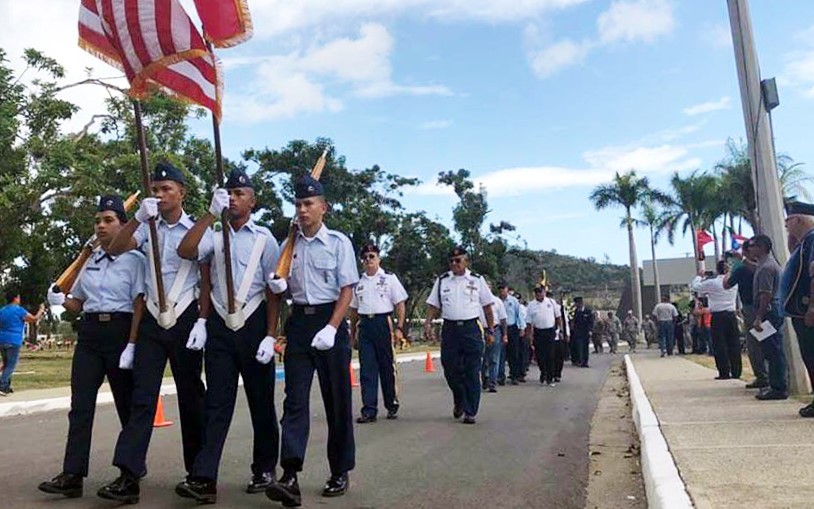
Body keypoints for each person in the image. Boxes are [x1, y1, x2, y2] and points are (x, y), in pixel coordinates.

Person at [98, 163, 206, 504]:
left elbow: (206, 276)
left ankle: (198, 475)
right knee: (142, 398)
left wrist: (203, 322)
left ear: (182, 192)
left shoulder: (196, 229)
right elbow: (115, 248)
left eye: (166, 189)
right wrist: (137, 218)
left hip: (185, 317)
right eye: (155, 189)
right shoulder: (147, 226)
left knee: (191, 397)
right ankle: (128, 476)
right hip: (151, 322)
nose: (159, 195)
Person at [172, 169, 282, 503]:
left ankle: (264, 469)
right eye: (229, 193)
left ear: (253, 201)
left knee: (261, 402)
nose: (233, 199)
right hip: (219, 326)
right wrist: (209, 213)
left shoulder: (265, 239)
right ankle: (204, 477)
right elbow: (186, 252)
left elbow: (273, 291)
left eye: (239, 194)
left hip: (253, 323)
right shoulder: (213, 237)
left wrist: (271, 335)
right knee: (216, 404)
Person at [38, 196, 145, 498]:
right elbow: (79, 303)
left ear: (124, 225)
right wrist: (61, 300)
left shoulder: (135, 260)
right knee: (81, 406)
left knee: (127, 405)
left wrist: (132, 344)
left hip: (121, 332)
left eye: (108, 220)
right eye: (98, 221)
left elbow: (139, 304)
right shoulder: (89, 261)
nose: (101, 226)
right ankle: (73, 474)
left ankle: (130, 474)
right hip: (90, 334)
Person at [264, 175, 358, 508]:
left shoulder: (338, 243)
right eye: (298, 205)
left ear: (323, 207)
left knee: (337, 401)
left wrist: (332, 327)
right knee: (294, 402)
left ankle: (339, 471)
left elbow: (347, 289)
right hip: (300, 323)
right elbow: (279, 288)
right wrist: (278, 287)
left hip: (330, 321)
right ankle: (290, 475)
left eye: (309, 204)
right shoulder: (288, 246)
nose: (302, 210)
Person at [424, 246, 495, 424]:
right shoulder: (443, 280)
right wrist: (428, 323)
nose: (454, 264)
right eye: (451, 261)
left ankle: (470, 411)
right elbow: (434, 305)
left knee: (472, 370)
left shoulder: (477, 280)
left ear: (466, 261)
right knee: (450, 369)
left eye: (458, 260)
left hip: (471, 328)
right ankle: (460, 398)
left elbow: (487, 306)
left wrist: (490, 329)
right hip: (450, 329)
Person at [349, 243, 408, 422]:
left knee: (386, 367)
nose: (368, 260)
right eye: (365, 257)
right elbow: (353, 310)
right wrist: (353, 333)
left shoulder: (389, 278)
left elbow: (400, 304)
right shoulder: (357, 282)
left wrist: (399, 328)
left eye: (371, 256)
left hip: (383, 323)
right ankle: (369, 410)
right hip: (365, 325)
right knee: (367, 369)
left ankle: (391, 403)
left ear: (378, 258)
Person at [780, 201, 814, 417]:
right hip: (800, 312)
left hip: (807, 311)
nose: (786, 226)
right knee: (809, 356)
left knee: (812, 355)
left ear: (799, 219)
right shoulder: (804, 243)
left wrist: (812, 307)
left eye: (788, 221)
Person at [748, 235, 788, 400]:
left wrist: (759, 317)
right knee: (771, 349)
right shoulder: (765, 265)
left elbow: (766, 295)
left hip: (768, 312)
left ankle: (778, 387)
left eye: (752, 246)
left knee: (773, 351)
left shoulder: (766, 268)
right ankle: (775, 384)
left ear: (762, 247)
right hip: (772, 311)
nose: (749, 249)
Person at [724, 240, 768, 388]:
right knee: (766, 341)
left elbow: (726, 284)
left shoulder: (742, 269)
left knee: (755, 345)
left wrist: (730, 269)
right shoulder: (763, 265)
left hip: (751, 308)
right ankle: (769, 375)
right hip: (765, 307)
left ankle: (762, 376)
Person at [693, 261, 740, 379]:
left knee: (719, 345)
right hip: (731, 314)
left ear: (717, 270)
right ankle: (736, 371)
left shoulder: (712, 282)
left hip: (718, 315)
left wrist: (699, 276)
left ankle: (724, 372)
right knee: (734, 343)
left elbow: (696, 287)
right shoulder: (734, 283)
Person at [0, 292, 44, 395]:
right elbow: (33, 319)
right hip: (13, 340)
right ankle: (2, 385)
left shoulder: (2, 310)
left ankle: (6, 386)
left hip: (2, 339)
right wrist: (41, 310)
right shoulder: (19, 310)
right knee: (11, 365)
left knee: (6, 363)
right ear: (15, 298)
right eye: (18, 297)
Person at [525, 286, 562, 386]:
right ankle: (543, 372)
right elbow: (528, 322)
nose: (539, 295)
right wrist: (529, 335)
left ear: (544, 293)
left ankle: (550, 377)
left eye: (540, 292)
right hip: (538, 331)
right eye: (537, 293)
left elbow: (558, 317)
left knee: (550, 355)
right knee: (540, 355)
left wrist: (560, 330)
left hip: (550, 331)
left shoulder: (551, 302)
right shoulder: (531, 305)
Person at [480, 286, 507, 393]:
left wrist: (504, 334)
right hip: (480, 330)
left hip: (494, 330)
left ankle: (492, 383)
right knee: (482, 357)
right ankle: (484, 379)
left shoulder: (497, 301)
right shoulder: (477, 301)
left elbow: (503, 319)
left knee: (494, 358)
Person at [499, 283, 525, 386]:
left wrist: (521, 327)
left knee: (513, 353)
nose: (502, 291)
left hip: (512, 327)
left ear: (507, 289)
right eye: (500, 289)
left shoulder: (513, 301)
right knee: (501, 353)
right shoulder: (497, 301)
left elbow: (519, 314)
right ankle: (500, 376)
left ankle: (514, 375)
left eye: (503, 289)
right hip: (500, 328)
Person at [570, 297, 593, 368]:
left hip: (586, 332)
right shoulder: (577, 311)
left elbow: (591, 322)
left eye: (577, 303)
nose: (576, 305)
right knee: (579, 347)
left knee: (585, 347)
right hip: (578, 333)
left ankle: (585, 362)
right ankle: (580, 361)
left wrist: (590, 330)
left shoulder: (588, 311)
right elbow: (575, 321)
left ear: (581, 303)